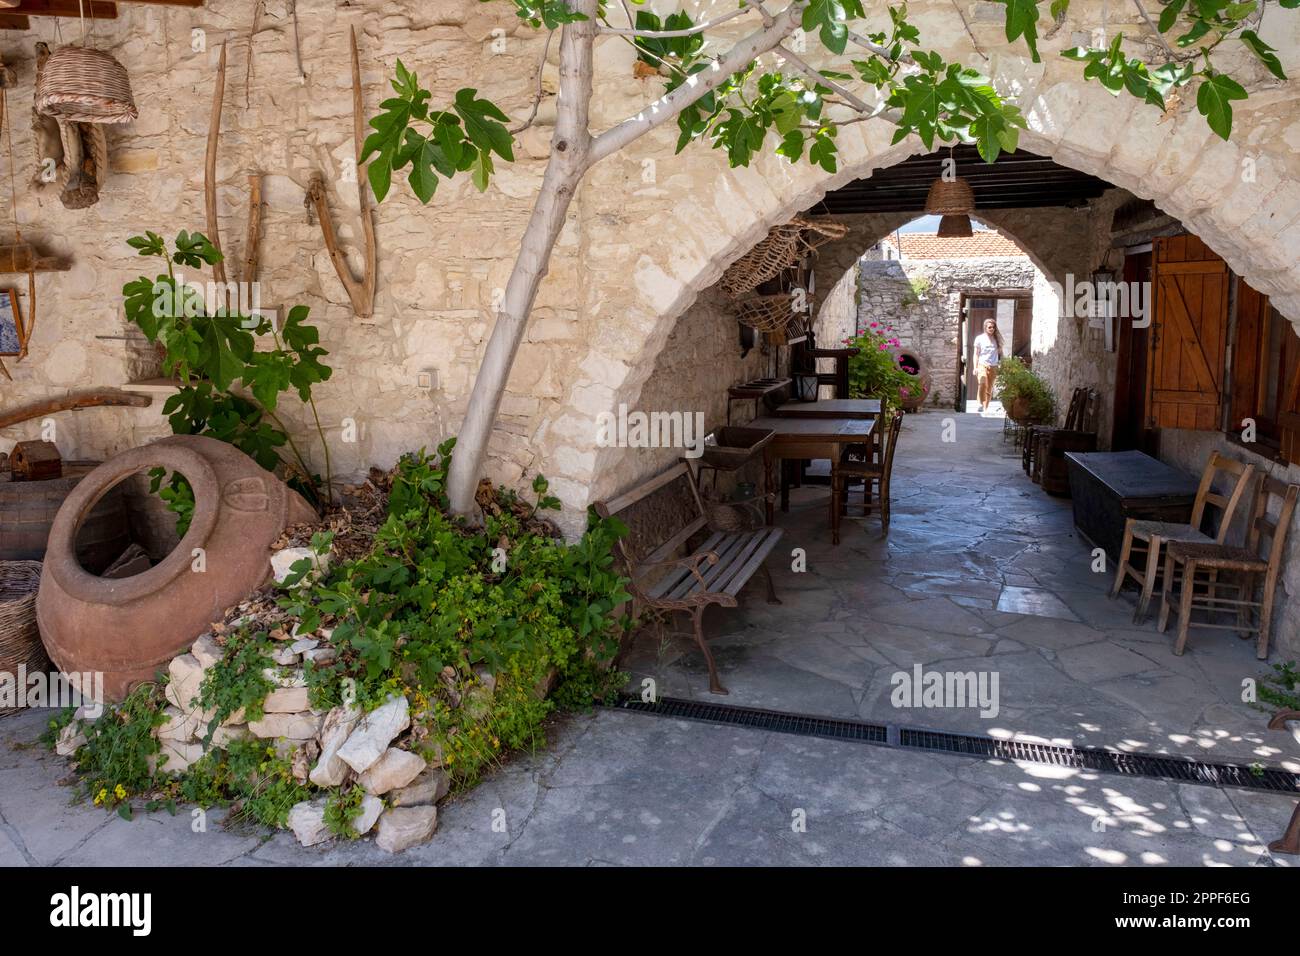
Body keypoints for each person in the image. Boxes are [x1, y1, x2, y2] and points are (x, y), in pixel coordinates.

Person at [972, 318, 1004, 413]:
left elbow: (1000, 354)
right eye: (990, 327)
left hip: (993, 366)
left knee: (989, 388)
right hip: (982, 365)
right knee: (983, 383)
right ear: (985, 328)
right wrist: (975, 367)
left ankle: (985, 408)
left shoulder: (997, 340)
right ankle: (980, 403)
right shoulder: (979, 338)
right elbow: (976, 354)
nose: (992, 329)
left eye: (993, 327)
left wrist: (1001, 364)